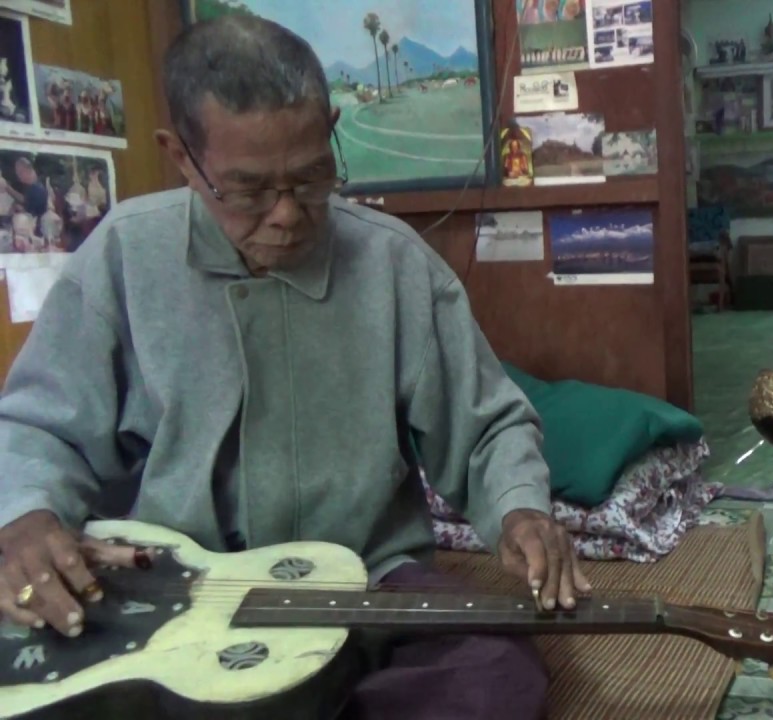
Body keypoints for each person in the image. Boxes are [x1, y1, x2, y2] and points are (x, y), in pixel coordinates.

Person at [0, 15, 588, 720]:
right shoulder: (123, 257)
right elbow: (39, 428)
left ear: (331, 127)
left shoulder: (393, 262)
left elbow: (488, 424)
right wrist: (27, 516)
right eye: (247, 191)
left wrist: (521, 509)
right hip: (178, 590)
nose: (287, 215)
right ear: (182, 158)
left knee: (494, 671)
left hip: (364, 582)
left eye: (312, 178)